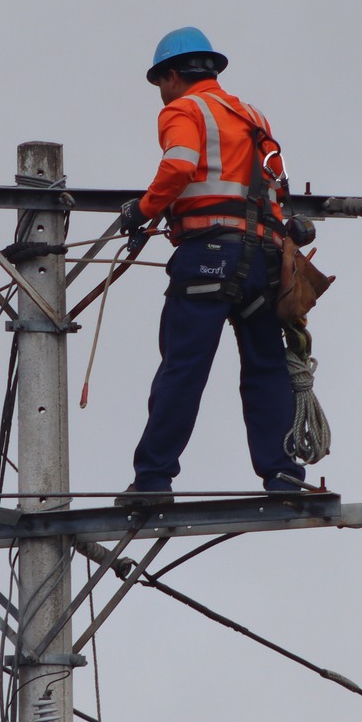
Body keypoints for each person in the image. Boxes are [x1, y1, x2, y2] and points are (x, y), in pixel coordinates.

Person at [118, 28, 312, 499]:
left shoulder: (183, 109)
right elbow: (269, 184)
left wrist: (142, 211)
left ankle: (153, 479)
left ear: (171, 75)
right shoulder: (252, 116)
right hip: (265, 260)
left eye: (160, 83)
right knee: (266, 368)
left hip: (208, 255)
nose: (161, 93)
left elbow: (179, 166)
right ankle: (283, 475)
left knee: (183, 368)